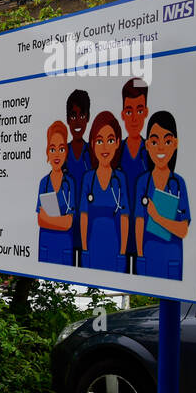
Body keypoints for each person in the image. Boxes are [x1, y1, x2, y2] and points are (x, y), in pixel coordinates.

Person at [134, 111, 190, 280]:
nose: (160, 147)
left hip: (172, 258)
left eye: (167, 141)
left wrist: (157, 217)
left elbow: (183, 230)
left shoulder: (179, 183)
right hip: (148, 255)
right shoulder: (143, 182)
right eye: (154, 141)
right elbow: (138, 221)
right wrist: (140, 256)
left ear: (175, 143)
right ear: (147, 145)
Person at [79, 111, 130, 274]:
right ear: (93, 144)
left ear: (117, 143)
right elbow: (84, 216)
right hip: (92, 245)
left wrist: (122, 253)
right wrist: (84, 249)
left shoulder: (120, 178)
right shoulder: (88, 178)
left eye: (110, 140)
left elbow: (124, 218)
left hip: (114, 245)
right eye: (100, 141)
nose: (105, 147)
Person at [118, 78, 150, 273]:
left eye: (139, 110)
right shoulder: (115, 153)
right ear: (123, 114)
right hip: (118, 236)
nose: (134, 118)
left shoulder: (152, 153)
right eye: (129, 111)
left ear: (146, 112)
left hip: (145, 235)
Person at [36, 121, 75, 265]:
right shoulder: (44, 183)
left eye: (61, 149)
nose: (57, 154)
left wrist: (49, 219)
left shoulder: (70, 183)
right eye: (52, 149)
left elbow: (69, 222)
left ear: (66, 152)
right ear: (47, 152)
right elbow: (40, 220)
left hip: (64, 247)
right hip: (46, 246)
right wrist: (59, 221)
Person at [63, 89, 92, 265]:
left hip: (88, 230)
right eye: (73, 116)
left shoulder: (94, 155)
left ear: (88, 117)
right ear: (67, 120)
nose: (78, 121)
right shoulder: (61, 154)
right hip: (64, 229)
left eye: (82, 115)